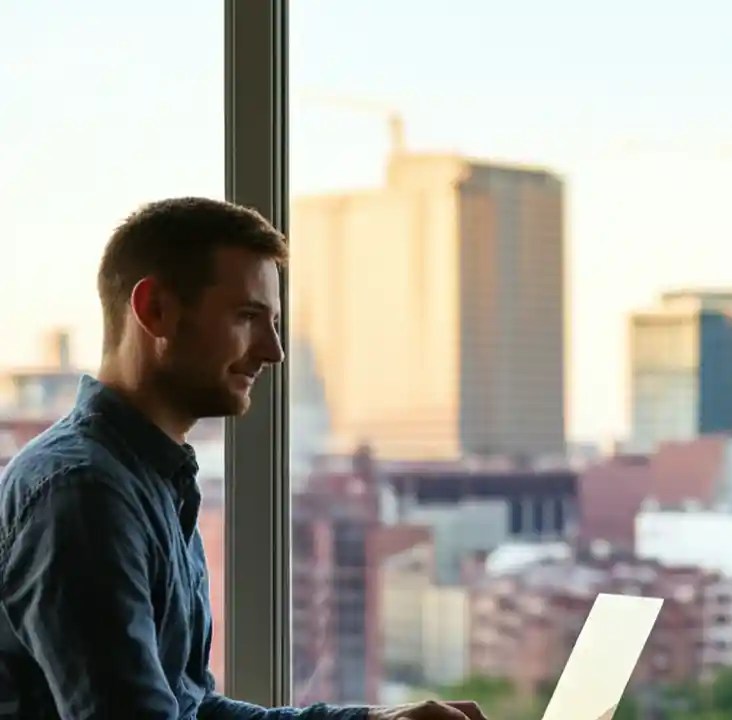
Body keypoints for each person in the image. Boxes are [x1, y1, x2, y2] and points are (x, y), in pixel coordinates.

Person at [0, 198, 487, 720]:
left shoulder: (150, 481)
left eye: (272, 322)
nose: (272, 350)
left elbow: (194, 710)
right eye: (248, 317)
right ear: (155, 310)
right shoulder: (83, 494)